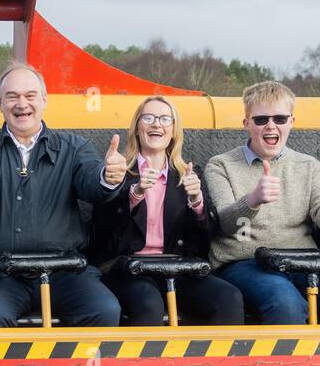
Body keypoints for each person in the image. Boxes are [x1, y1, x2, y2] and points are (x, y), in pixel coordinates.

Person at [0, 63, 126, 327]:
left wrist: (109, 177)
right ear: (0, 104)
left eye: (30, 96)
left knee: (105, 309)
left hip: (64, 271)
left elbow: (93, 183)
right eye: (12, 96)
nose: (22, 103)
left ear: (43, 101)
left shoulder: (74, 148)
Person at [204, 80, 320, 324]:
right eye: (261, 119)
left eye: (280, 119)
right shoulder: (221, 165)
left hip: (303, 260)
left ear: (292, 122)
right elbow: (226, 224)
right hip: (245, 262)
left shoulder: (308, 166)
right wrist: (253, 200)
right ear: (246, 124)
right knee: (286, 304)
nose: (271, 126)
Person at [90, 95, 244, 325]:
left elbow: (206, 240)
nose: (156, 124)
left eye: (165, 119)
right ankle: (142, 362)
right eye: (149, 118)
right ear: (137, 127)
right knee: (149, 303)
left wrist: (197, 201)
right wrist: (136, 193)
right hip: (128, 269)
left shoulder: (188, 174)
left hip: (177, 268)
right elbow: (100, 228)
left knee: (229, 297)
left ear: (174, 131)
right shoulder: (118, 170)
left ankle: (219, 361)